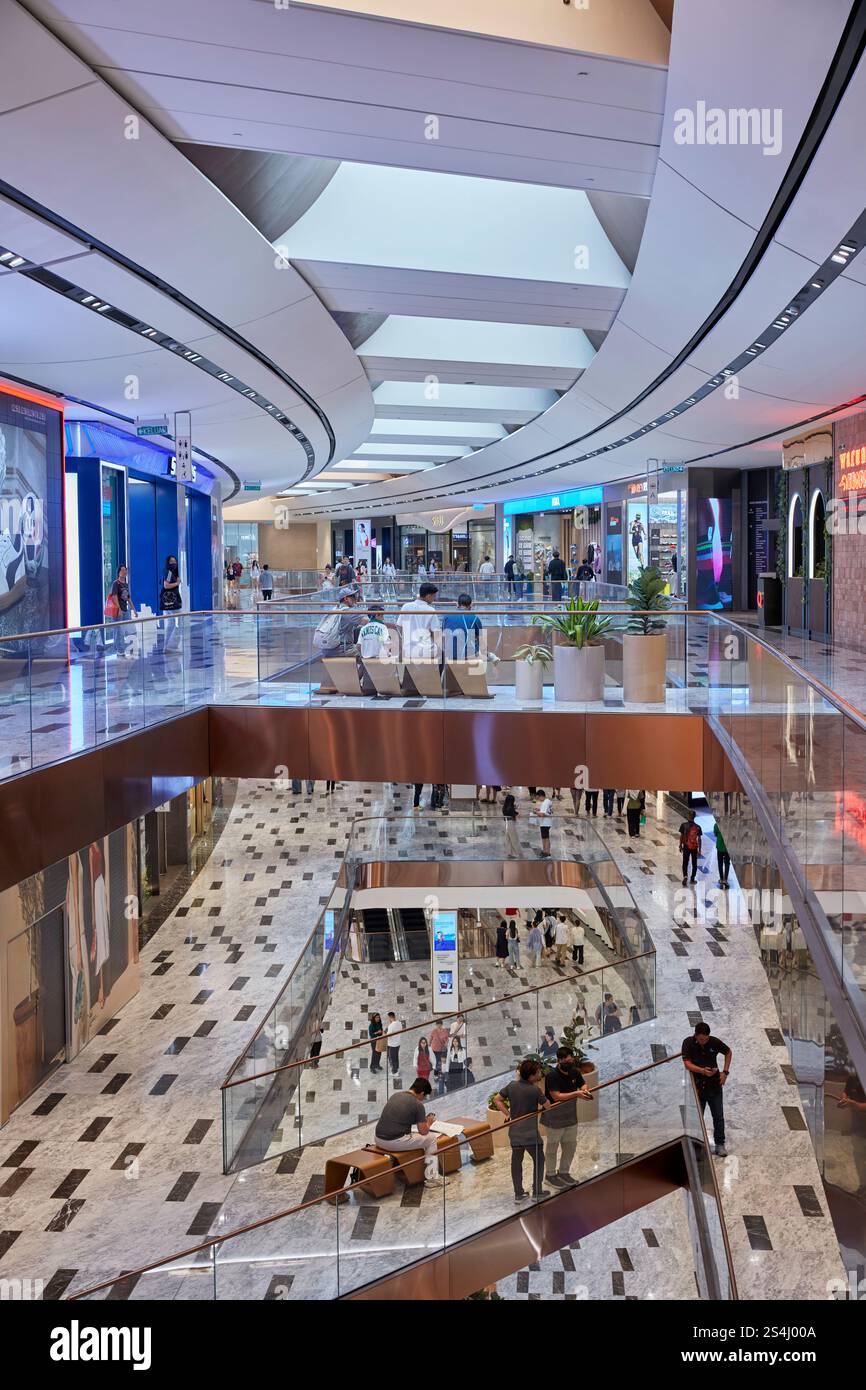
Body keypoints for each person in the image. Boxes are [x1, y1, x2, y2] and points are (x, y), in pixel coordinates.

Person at [494, 1058, 551, 1201]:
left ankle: (518, 1193)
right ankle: (537, 1191)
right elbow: (547, 1106)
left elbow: (497, 1099)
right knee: (539, 1160)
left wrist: (508, 1114)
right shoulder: (534, 1090)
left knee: (516, 1161)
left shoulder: (512, 1086)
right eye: (537, 1072)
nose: (539, 1074)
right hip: (530, 1134)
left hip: (514, 1133)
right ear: (531, 1076)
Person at [374, 1077, 446, 1188]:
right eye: (425, 1096)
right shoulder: (417, 1105)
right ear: (421, 1093)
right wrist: (429, 1122)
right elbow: (423, 1131)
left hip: (378, 1139)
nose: (424, 1099)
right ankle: (432, 1178)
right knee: (431, 1139)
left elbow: (401, 1118)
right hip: (393, 1142)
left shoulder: (396, 1095)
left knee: (414, 1135)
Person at [543, 1045, 592, 1188]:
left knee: (570, 1146)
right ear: (559, 1060)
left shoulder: (574, 1072)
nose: (569, 1063)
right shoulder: (552, 1076)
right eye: (566, 1061)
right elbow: (556, 1096)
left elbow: (583, 1084)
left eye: (571, 1060)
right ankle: (550, 1175)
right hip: (554, 1118)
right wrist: (576, 1094)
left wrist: (584, 1090)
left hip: (571, 1116)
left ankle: (564, 1172)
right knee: (552, 1148)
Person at [682, 1021, 733, 1157]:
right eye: (700, 1039)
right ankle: (697, 1146)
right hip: (697, 1087)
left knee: (718, 1116)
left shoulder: (714, 1042)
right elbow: (687, 1063)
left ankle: (720, 1144)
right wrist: (702, 1071)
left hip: (714, 1085)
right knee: (697, 1117)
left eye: (705, 1039)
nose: (703, 1042)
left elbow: (728, 1052)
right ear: (696, 1035)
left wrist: (725, 1072)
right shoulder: (688, 1043)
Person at [313, 587, 362, 660]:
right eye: (352, 597)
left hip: (326, 650)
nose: (355, 599)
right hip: (342, 650)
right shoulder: (349, 612)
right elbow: (368, 621)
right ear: (346, 599)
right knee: (366, 652)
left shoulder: (334, 609)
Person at [398, 582, 442, 662]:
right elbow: (436, 634)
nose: (434, 599)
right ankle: (438, 673)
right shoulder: (431, 610)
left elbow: (399, 627)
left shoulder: (406, 607)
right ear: (428, 596)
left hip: (409, 650)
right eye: (434, 596)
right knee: (443, 653)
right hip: (426, 650)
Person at [105, 563, 137, 655]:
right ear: (118, 572)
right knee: (119, 630)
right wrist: (119, 609)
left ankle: (125, 647)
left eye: (125, 570)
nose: (124, 572)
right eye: (122, 570)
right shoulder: (116, 583)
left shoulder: (126, 584)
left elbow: (128, 598)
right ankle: (119, 650)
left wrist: (134, 610)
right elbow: (114, 596)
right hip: (118, 610)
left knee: (127, 629)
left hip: (125, 609)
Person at [442, 592, 482, 660]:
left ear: (457, 604)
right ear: (470, 605)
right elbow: (480, 638)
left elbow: (443, 634)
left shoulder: (446, 617)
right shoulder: (474, 618)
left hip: (450, 653)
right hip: (467, 654)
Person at [157, 554, 182, 651]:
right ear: (168, 563)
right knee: (180, 622)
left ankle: (166, 646)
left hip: (167, 601)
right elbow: (166, 585)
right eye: (171, 562)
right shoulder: (169, 572)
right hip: (172, 601)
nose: (173, 563)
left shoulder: (167, 572)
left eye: (174, 561)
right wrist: (177, 583)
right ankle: (172, 646)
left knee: (170, 624)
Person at [679, 810, 703, 885]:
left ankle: (685, 876)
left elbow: (682, 836)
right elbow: (699, 839)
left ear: (688, 816)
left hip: (686, 846)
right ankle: (692, 878)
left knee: (685, 862)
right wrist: (699, 850)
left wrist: (680, 845)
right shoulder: (698, 827)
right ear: (694, 817)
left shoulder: (683, 825)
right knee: (694, 863)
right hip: (694, 847)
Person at [502, 789, 520, 858]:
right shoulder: (510, 808)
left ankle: (509, 852)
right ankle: (515, 853)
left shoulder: (504, 807)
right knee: (513, 838)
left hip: (507, 823)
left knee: (508, 839)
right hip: (511, 823)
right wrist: (518, 814)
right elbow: (514, 814)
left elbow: (511, 812)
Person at [713, 820, 731, 888]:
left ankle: (721, 879)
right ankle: (725, 880)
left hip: (720, 846)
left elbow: (715, 834)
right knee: (727, 863)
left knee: (720, 863)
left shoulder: (717, 824)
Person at [535, 790, 553, 858]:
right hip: (544, 822)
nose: (538, 799)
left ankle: (547, 852)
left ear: (541, 796)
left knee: (546, 838)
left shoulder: (545, 802)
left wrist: (536, 812)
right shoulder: (547, 801)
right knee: (544, 837)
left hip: (545, 822)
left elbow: (542, 814)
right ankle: (544, 851)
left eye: (538, 798)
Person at [385, 1011, 402, 1075]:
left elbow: (388, 1035)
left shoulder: (391, 1025)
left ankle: (394, 1072)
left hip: (392, 1044)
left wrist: (385, 1033)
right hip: (398, 1043)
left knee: (392, 1058)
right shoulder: (399, 1023)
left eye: (388, 1018)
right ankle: (397, 1069)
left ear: (390, 1017)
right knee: (396, 1057)